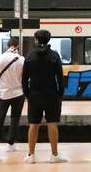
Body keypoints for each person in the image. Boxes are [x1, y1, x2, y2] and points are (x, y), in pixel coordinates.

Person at [21, 28, 66, 164]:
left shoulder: (29, 56)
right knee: (52, 123)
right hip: (52, 94)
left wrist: (27, 93)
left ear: (36, 40)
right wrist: (60, 93)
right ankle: (54, 155)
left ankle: (31, 155)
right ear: (48, 40)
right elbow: (60, 76)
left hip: (34, 95)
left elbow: (24, 78)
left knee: (33, 124)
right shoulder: (54, 56)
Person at [0, 36, 25, 154]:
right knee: (15, 119)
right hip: (18, 93)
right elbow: (24, 77)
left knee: (0, 118)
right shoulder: (21, 60)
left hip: (3, 94)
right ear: (18, 46)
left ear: (7, 45)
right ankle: (11, 144)